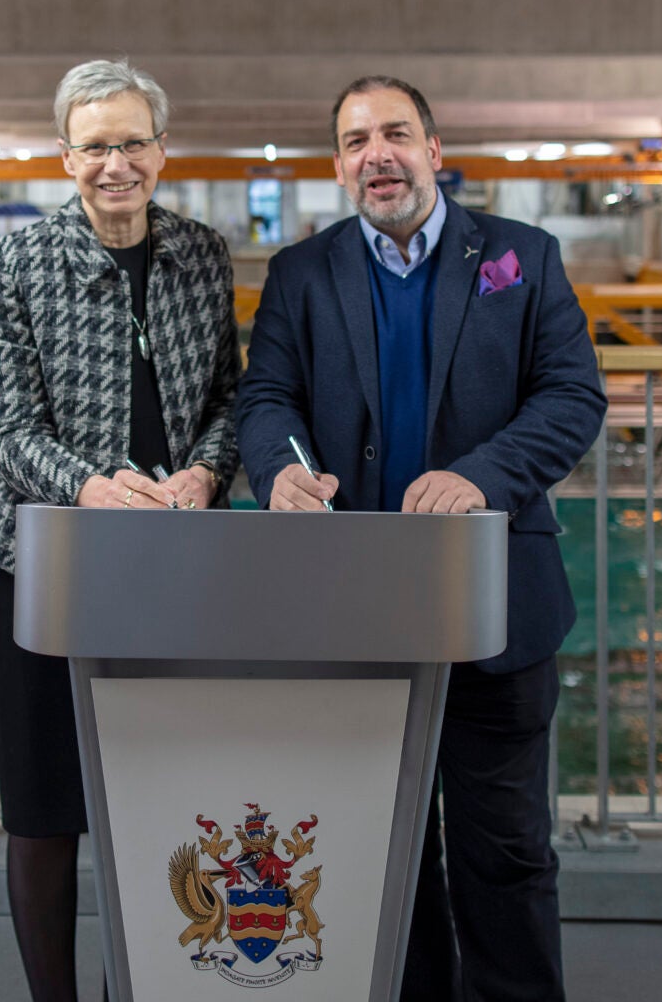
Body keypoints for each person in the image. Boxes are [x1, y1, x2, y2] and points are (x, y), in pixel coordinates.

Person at [235, 75, 607, 1001]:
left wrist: (484, 476)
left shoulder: (523, 256)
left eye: (396, 134)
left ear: (434, 151)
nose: (378, 155)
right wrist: (279, 470)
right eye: (356, 141)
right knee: (379, 851)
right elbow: (267, 397)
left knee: (506, 851)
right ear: (339, 168)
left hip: (495, 604)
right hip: (354, 613)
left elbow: (572, 396)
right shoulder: (300, 273)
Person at [0, 58, 240, 1002]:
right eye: (94, 147)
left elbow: (229, 398)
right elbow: (9, 431)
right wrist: (90, 489)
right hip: (51, 563)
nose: (114, 164)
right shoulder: (14, 264)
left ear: (162, 151)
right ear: (64, 157)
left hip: (175, 558)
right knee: (45, 811)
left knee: (164, 799)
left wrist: (207, 472)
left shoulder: (203, 255)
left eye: (131, 143)